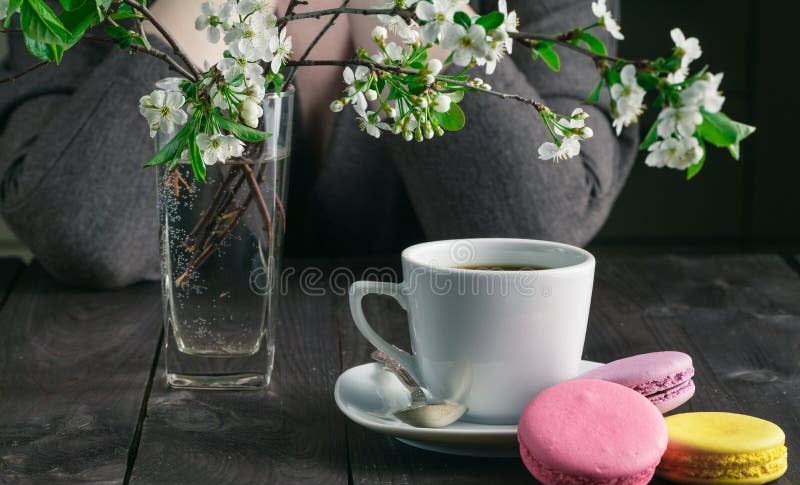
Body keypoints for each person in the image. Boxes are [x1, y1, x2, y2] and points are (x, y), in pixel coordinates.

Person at [0, 0, 637, 288]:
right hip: (148, 402)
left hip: (451, 398)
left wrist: (408, 15)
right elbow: (84, 233)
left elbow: (535, 236)